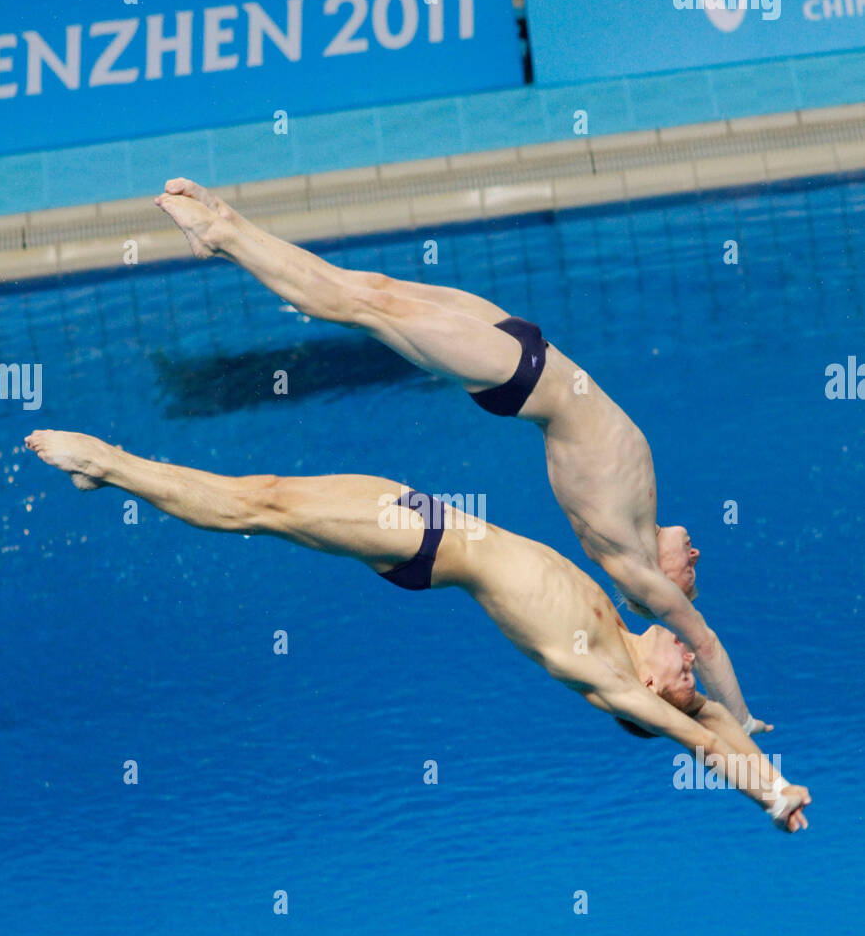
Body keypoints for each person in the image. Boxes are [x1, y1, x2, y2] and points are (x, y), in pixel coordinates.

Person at [154, 178, 764, 732]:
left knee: (361, 306)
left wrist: (742, 722)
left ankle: (223, 236)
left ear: (665, 593)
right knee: (375, 291)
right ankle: (226, 222)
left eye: (692, 580)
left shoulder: (634, 569)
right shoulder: (641, 517)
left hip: (521, 376)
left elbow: (705, 647)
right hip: (529, 348)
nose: (697, 558)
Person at [24, 428, 809, 832]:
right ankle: (114, 468)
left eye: (686, 684)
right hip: (428, 524)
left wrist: (771, 796)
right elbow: (715, 725)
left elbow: (701, 741)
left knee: (258, 505)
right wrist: (743, 730)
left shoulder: (611, 678)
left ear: (651, 694)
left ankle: (108, 464)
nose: (691, 671)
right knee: (265, 500)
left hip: (426, 543)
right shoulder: (624, 633)